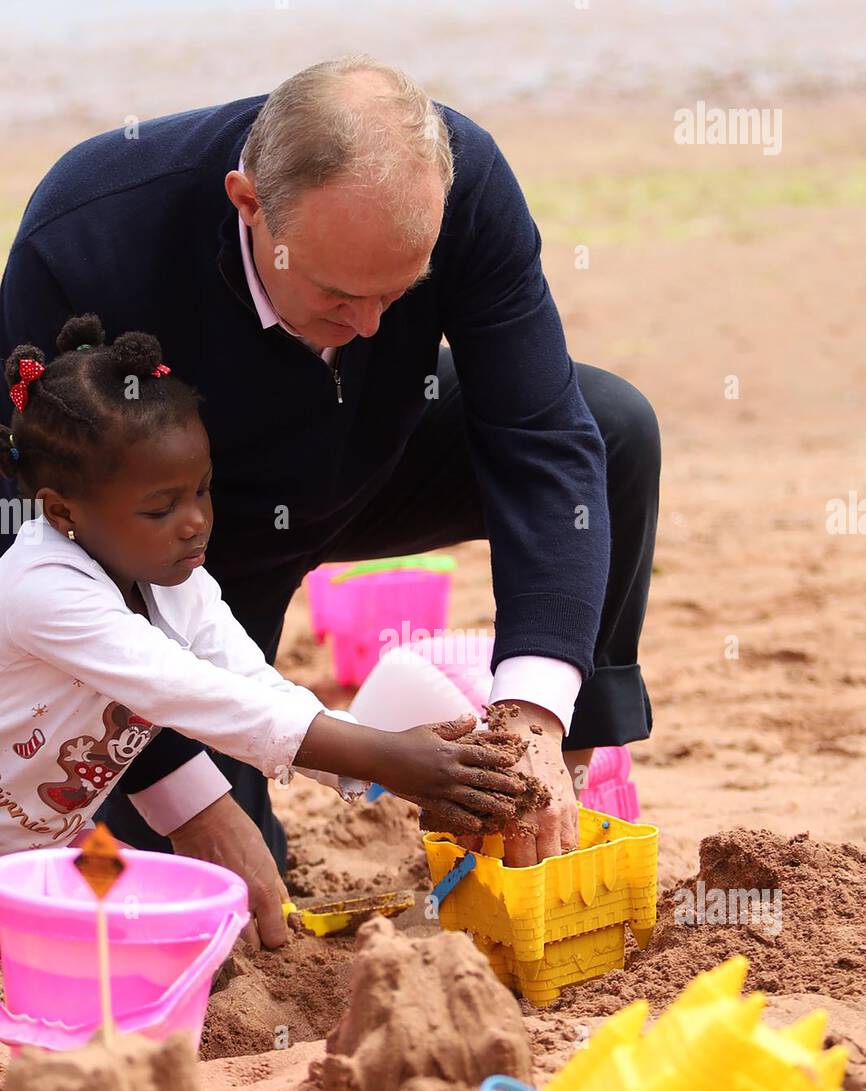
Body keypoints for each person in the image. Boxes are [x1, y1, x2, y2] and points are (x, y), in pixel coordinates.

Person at [0, 55, 660, 946]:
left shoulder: (464, 184)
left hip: (377, 453)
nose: (375, 329)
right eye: (340, 295)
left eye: (401, 293)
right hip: (188, 543)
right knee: (224, 897)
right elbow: (60, 546)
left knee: (613, 426)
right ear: (248, 203)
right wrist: (191, 796)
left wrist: (533, 712)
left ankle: (565, 772)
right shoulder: (89, 235)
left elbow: (540, 435)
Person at [0, 314, 527, 947]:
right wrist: (392, 757)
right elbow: (192, 694)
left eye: (203, 490)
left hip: (36, 850)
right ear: (62, 511)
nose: (195, 521)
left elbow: (251, 681)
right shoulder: (42, 590)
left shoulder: (170, 576)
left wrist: (383, 760)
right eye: (161, 508)